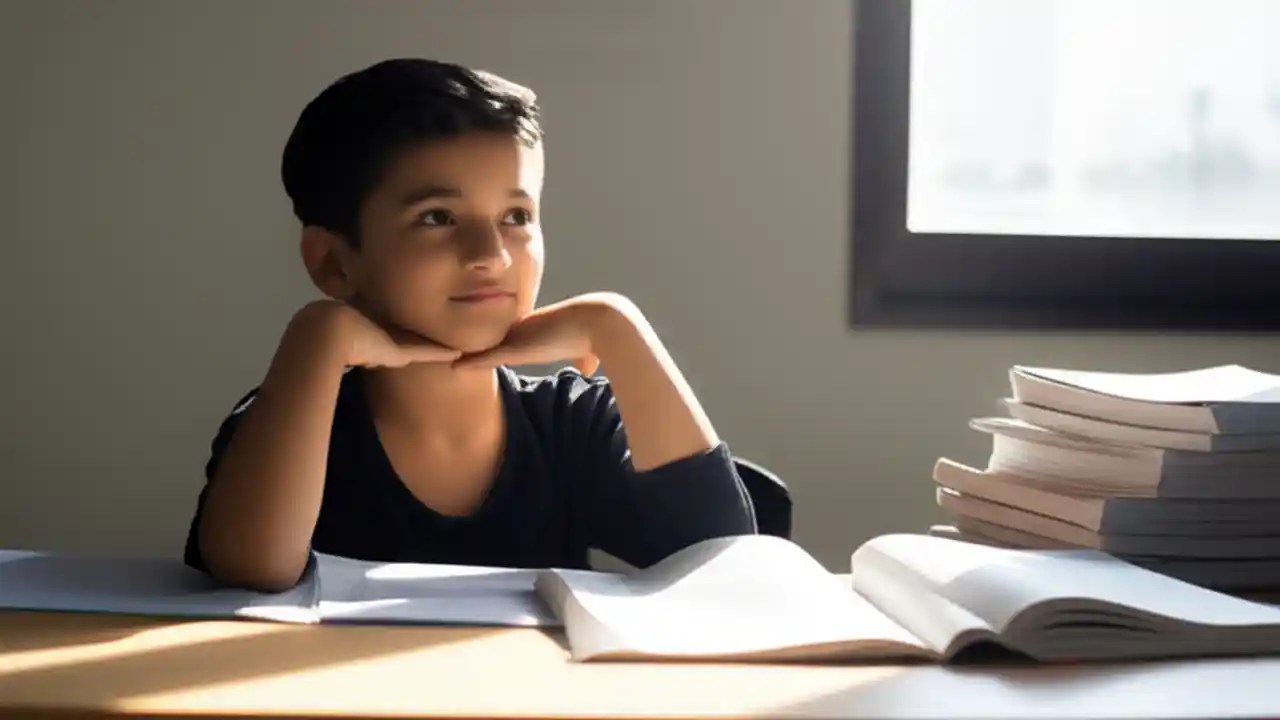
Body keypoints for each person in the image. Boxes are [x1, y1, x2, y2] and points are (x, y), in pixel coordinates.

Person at [184, 58, 756, 592]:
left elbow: (721, 561)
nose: (492, 255)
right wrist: (316, 336)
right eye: (438, 217)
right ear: (334, 261)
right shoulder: (296, 418)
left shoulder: (571, 423)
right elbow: (252, 568)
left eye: (516, 217)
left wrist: (618, 326)